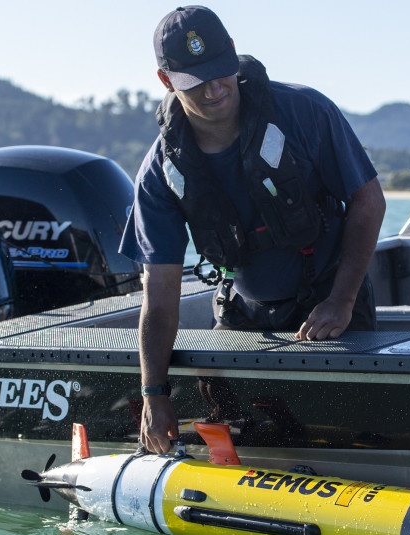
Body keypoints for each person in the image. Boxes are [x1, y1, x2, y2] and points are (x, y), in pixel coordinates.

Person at [120, 5, 386, 454]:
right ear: (166, 81)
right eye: (195, 80)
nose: (214, 88)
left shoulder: (304, 111)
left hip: (330, 303)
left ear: (235, 54)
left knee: (348, 437)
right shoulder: (162, 170)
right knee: (249, 435)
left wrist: (340, 301)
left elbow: (368, 201)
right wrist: (154, 394)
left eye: (220, 71)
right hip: (244, 315)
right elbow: (160, 293)